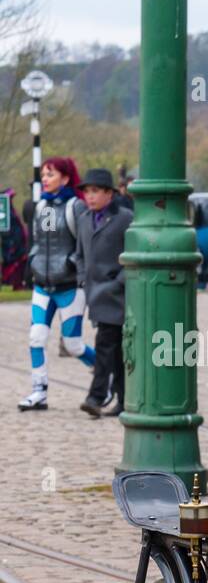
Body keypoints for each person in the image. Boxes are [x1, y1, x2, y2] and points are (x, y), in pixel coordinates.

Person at [19, 158, 92, 412]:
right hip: (43, 285)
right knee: (36, 337)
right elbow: (42, 241)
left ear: (65, 178)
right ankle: (38, 391)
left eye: (50, 174)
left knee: (73, 345)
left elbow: (84, 245)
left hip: (70, 286)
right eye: (43, 175)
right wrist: (34, 262)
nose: (45, 179)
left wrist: (72, 264)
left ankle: (107, 375)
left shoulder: (76, 207)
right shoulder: (45, 208)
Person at [72, 168, 132, 418]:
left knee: (106, 346)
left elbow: (132, 256)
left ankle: (96, 396)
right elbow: (80, 255)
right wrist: (82, 278)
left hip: (118, 295)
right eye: (87, 191)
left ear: (110, 193)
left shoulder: (125, 218)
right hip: (95, 294)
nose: (90, 196)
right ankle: (123, 399)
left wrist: (119, 281)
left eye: (95, 191)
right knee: (115, 349)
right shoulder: (84, 218)